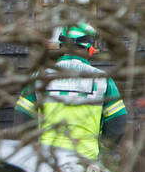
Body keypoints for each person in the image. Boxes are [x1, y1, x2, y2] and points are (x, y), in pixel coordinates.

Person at [14, 22, 126, 162]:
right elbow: (118, 124)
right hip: (86, 161)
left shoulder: (39, 77)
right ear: (89, 49)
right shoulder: (103, 81)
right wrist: (101, 150)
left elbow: (22, 118)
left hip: (47, 161)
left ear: (61, 47)